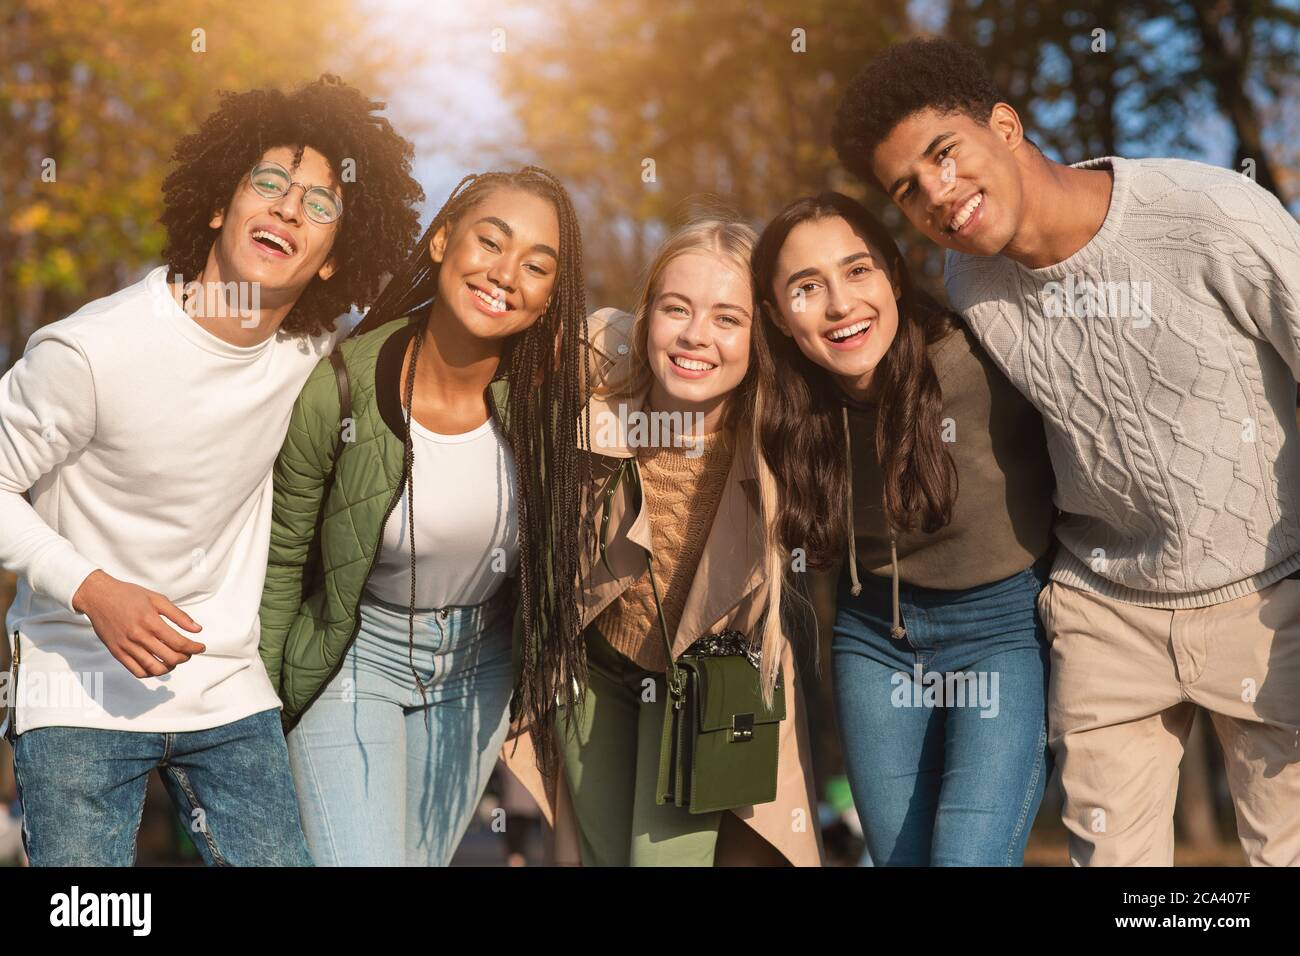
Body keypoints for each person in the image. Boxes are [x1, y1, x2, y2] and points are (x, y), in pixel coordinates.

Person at [834, 35, 1300, 865]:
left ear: (1005, 125)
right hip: (1107, 608)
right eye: (908, 189)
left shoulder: (1211, 214)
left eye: (947, 154)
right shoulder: (970, 284)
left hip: (1272, 596)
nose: (939, 194)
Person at [0, 75, 423, 866]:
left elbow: (436, 345)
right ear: (219, 205)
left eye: (321, 204)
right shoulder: (92, 351)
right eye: (269, 182)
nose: (290, 208)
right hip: (76, 684)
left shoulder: (312, 363)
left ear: (333, 259)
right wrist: (96, 590)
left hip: (229, 689)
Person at [258, 167, 591, 866]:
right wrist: (260, 712)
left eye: (536, 266)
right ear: (442, 241)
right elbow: (284, 560)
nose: (506, 274)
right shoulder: (341, 387)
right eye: (490, 242)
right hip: (355, 659)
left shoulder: (551, 407)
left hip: (479, 668)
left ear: (549, 299)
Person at [504, 219, 824, 866]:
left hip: (702, 679)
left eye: (727, 318)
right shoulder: (597, 373)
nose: (695, 336)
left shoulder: (783, 431)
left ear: (758, 334)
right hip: (594, 663)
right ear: (647, 311)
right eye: (676, 308)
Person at [752, 191, 1056, 865]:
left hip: (1003, 631)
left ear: (892, 275)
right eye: (806, 287)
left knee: (966, 857)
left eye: (858, 271)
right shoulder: (780, 409)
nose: (839, 304)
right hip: (875, 639)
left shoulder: (981, 360)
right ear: (774, 313)